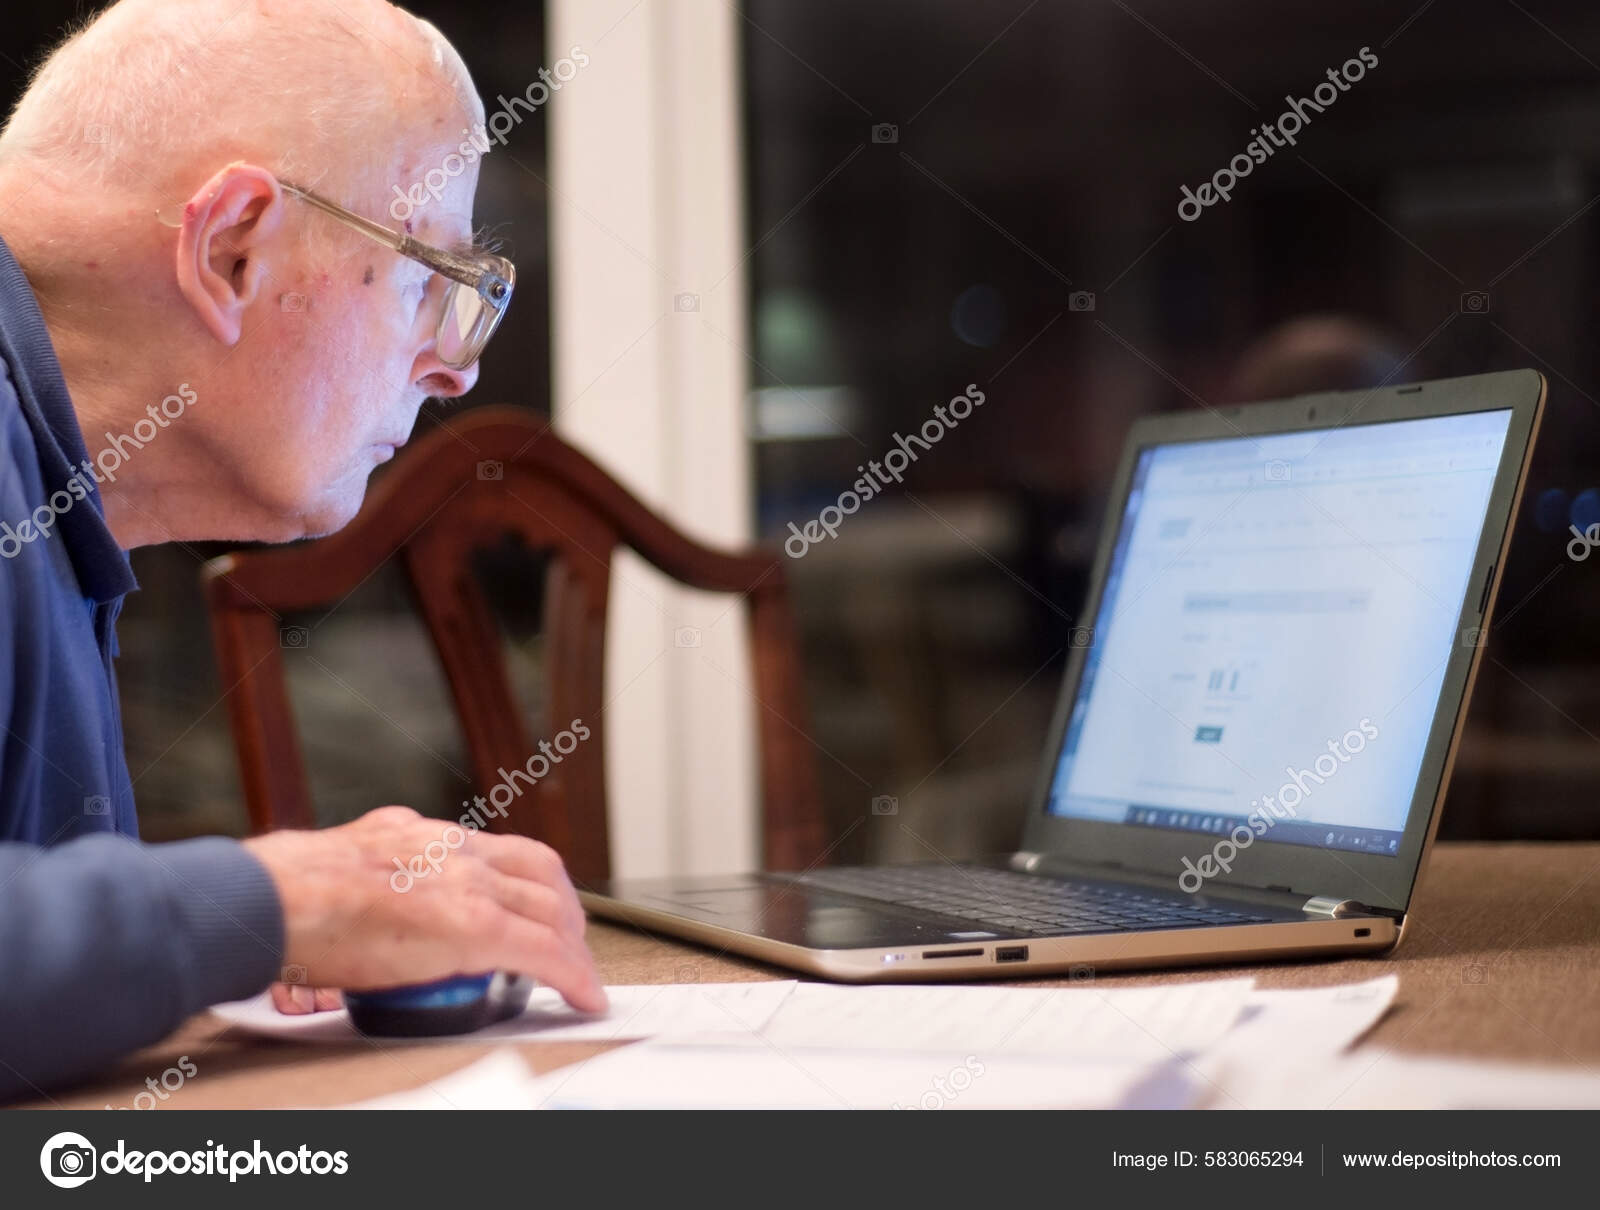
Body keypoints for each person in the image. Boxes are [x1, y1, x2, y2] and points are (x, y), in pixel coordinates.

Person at [0, 0, 603, 1101]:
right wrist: (286, 900)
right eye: (435, 279)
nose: (453, 369)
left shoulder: (58, 497)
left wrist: (285, 912)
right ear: (232, 250)